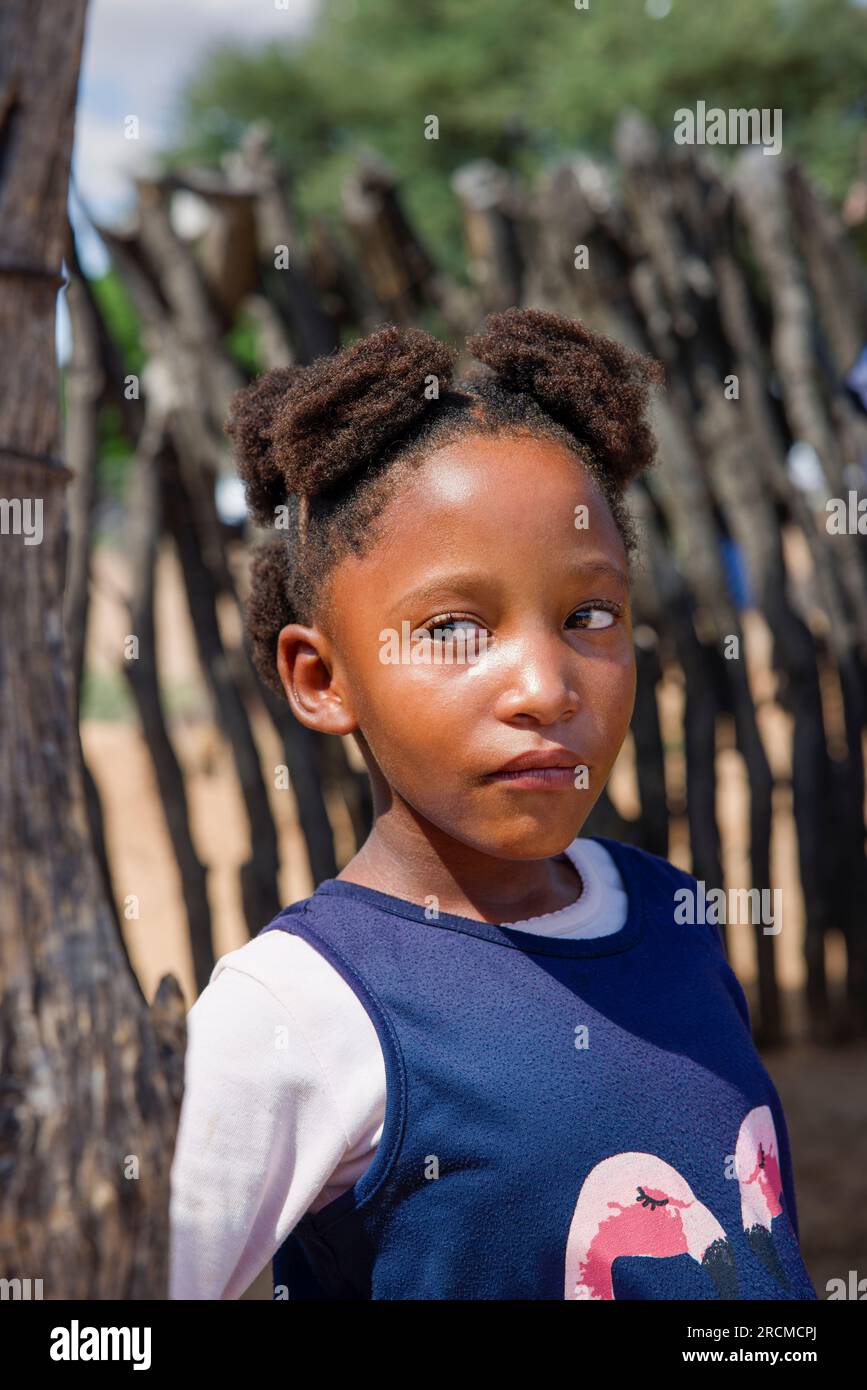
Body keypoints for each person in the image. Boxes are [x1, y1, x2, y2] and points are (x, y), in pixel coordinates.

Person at [168, 307, 817, 1301]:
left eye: (587, 615)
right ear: (322, 676)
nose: (545, 686)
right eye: (457, 627)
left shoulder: (670, 916)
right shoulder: (300, 1010)